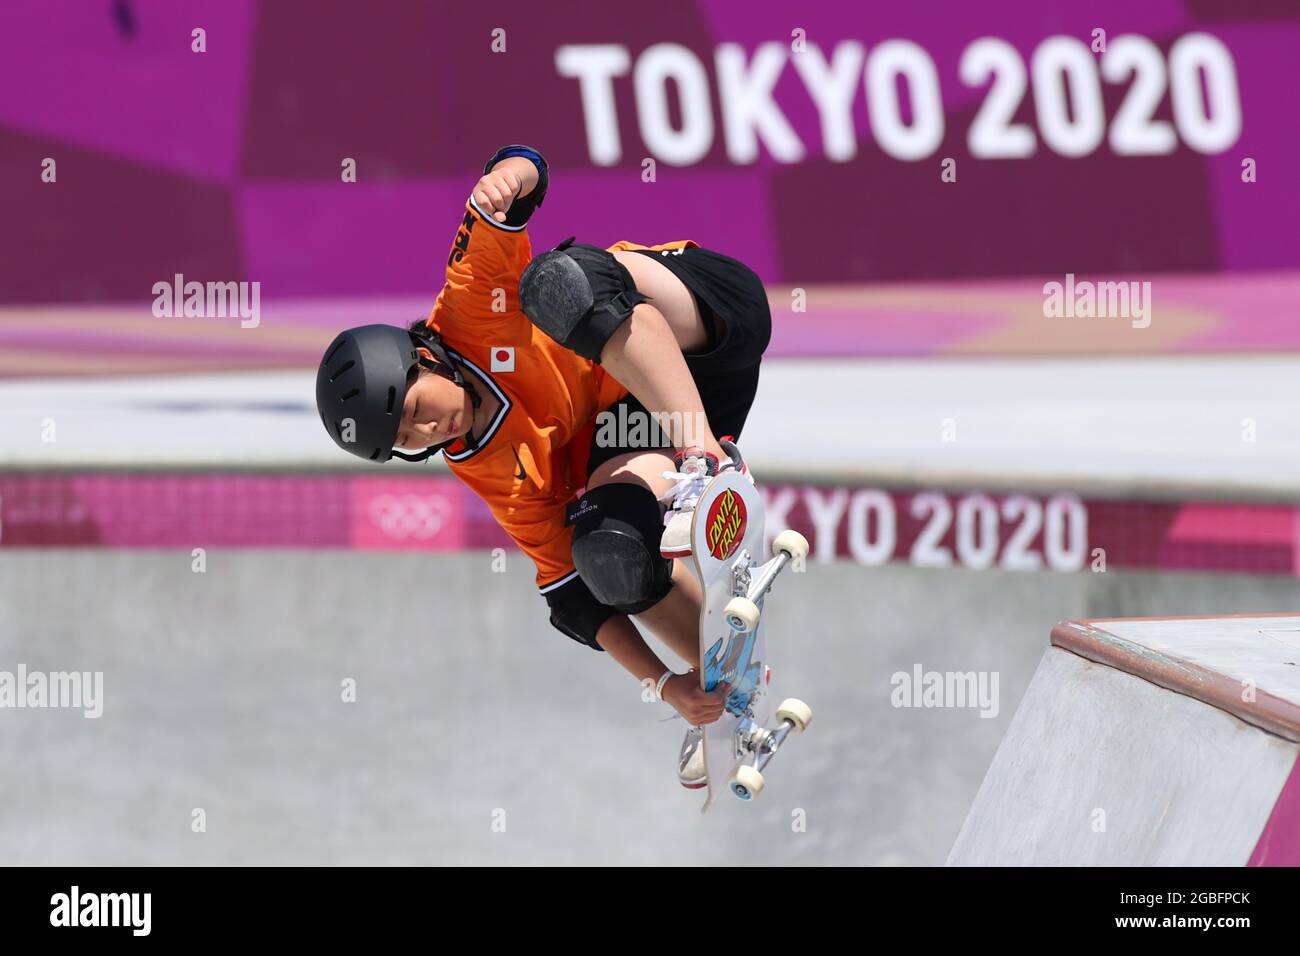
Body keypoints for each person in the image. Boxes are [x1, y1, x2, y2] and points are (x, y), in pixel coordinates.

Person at [315, 145, 771, 788]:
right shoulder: (484, 468)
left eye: (418, 406)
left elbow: (526, 169)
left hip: (707, 312)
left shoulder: (469, 302)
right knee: (607, 553)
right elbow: (573, 597)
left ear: (426, 356)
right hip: (643, 413)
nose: (429, 430)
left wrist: (508, 178)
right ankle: (734, 682)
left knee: (558, 282)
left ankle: (704, 459)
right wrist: (669, 686)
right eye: (408, 438)